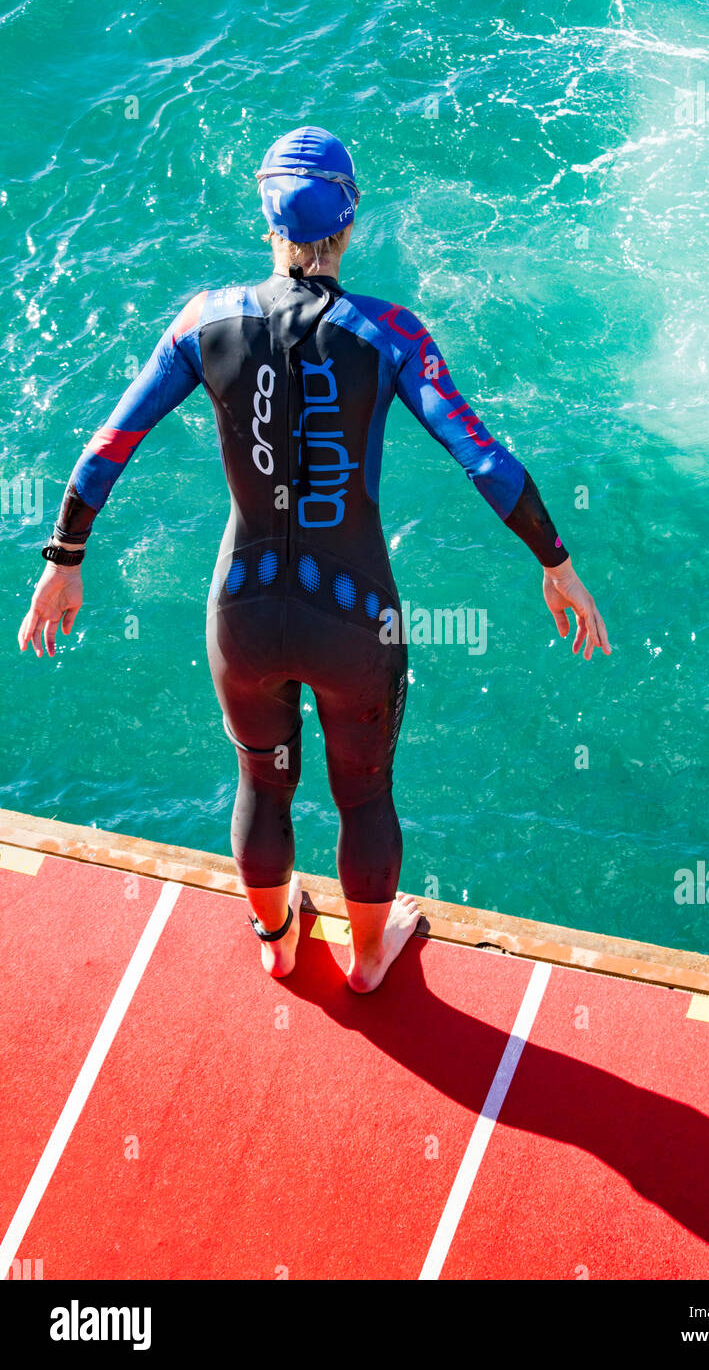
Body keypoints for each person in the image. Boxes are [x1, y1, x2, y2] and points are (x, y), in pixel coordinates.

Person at [18, 126, 611, 991]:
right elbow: (482, 456)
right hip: (351, 617)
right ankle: (370, 958)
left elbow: (111, 442)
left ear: (268, 220)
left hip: (243, 611)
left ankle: (277, 937)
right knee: (363, 793)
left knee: (262, 781)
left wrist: (65, 556)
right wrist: (554, 562)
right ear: (350, 222)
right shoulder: (391, 333)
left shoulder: (200, 323)